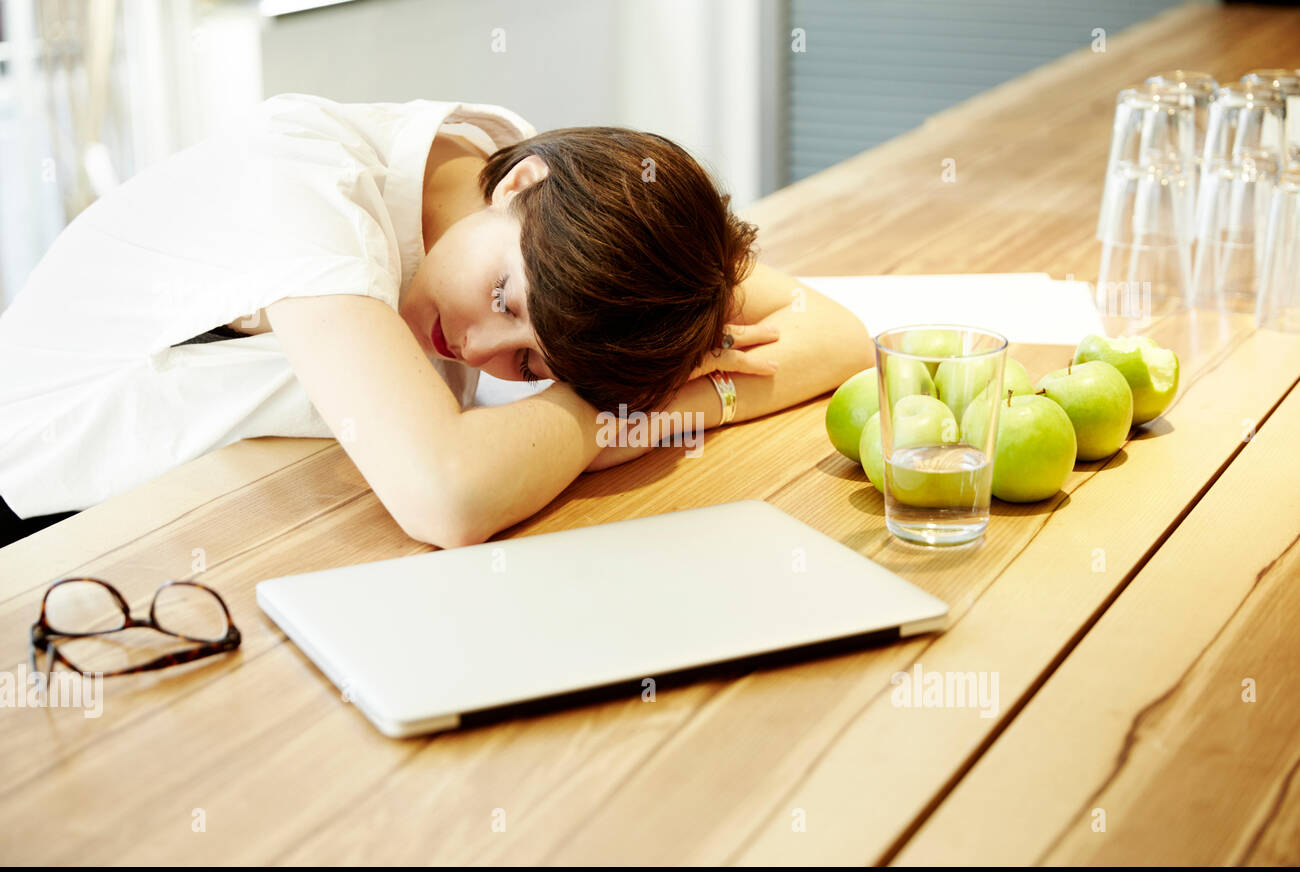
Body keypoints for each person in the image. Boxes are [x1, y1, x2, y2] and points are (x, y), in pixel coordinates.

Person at [0, 93, 871, 550]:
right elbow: (446, 497)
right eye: (505, 300)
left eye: (532, 365)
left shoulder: (560, 230)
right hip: (51, 532)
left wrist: (676, 392)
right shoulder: (308, 189)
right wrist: (620, 412)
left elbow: (831, 329)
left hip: (228, 506)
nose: (482, 353)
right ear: (521, 184)